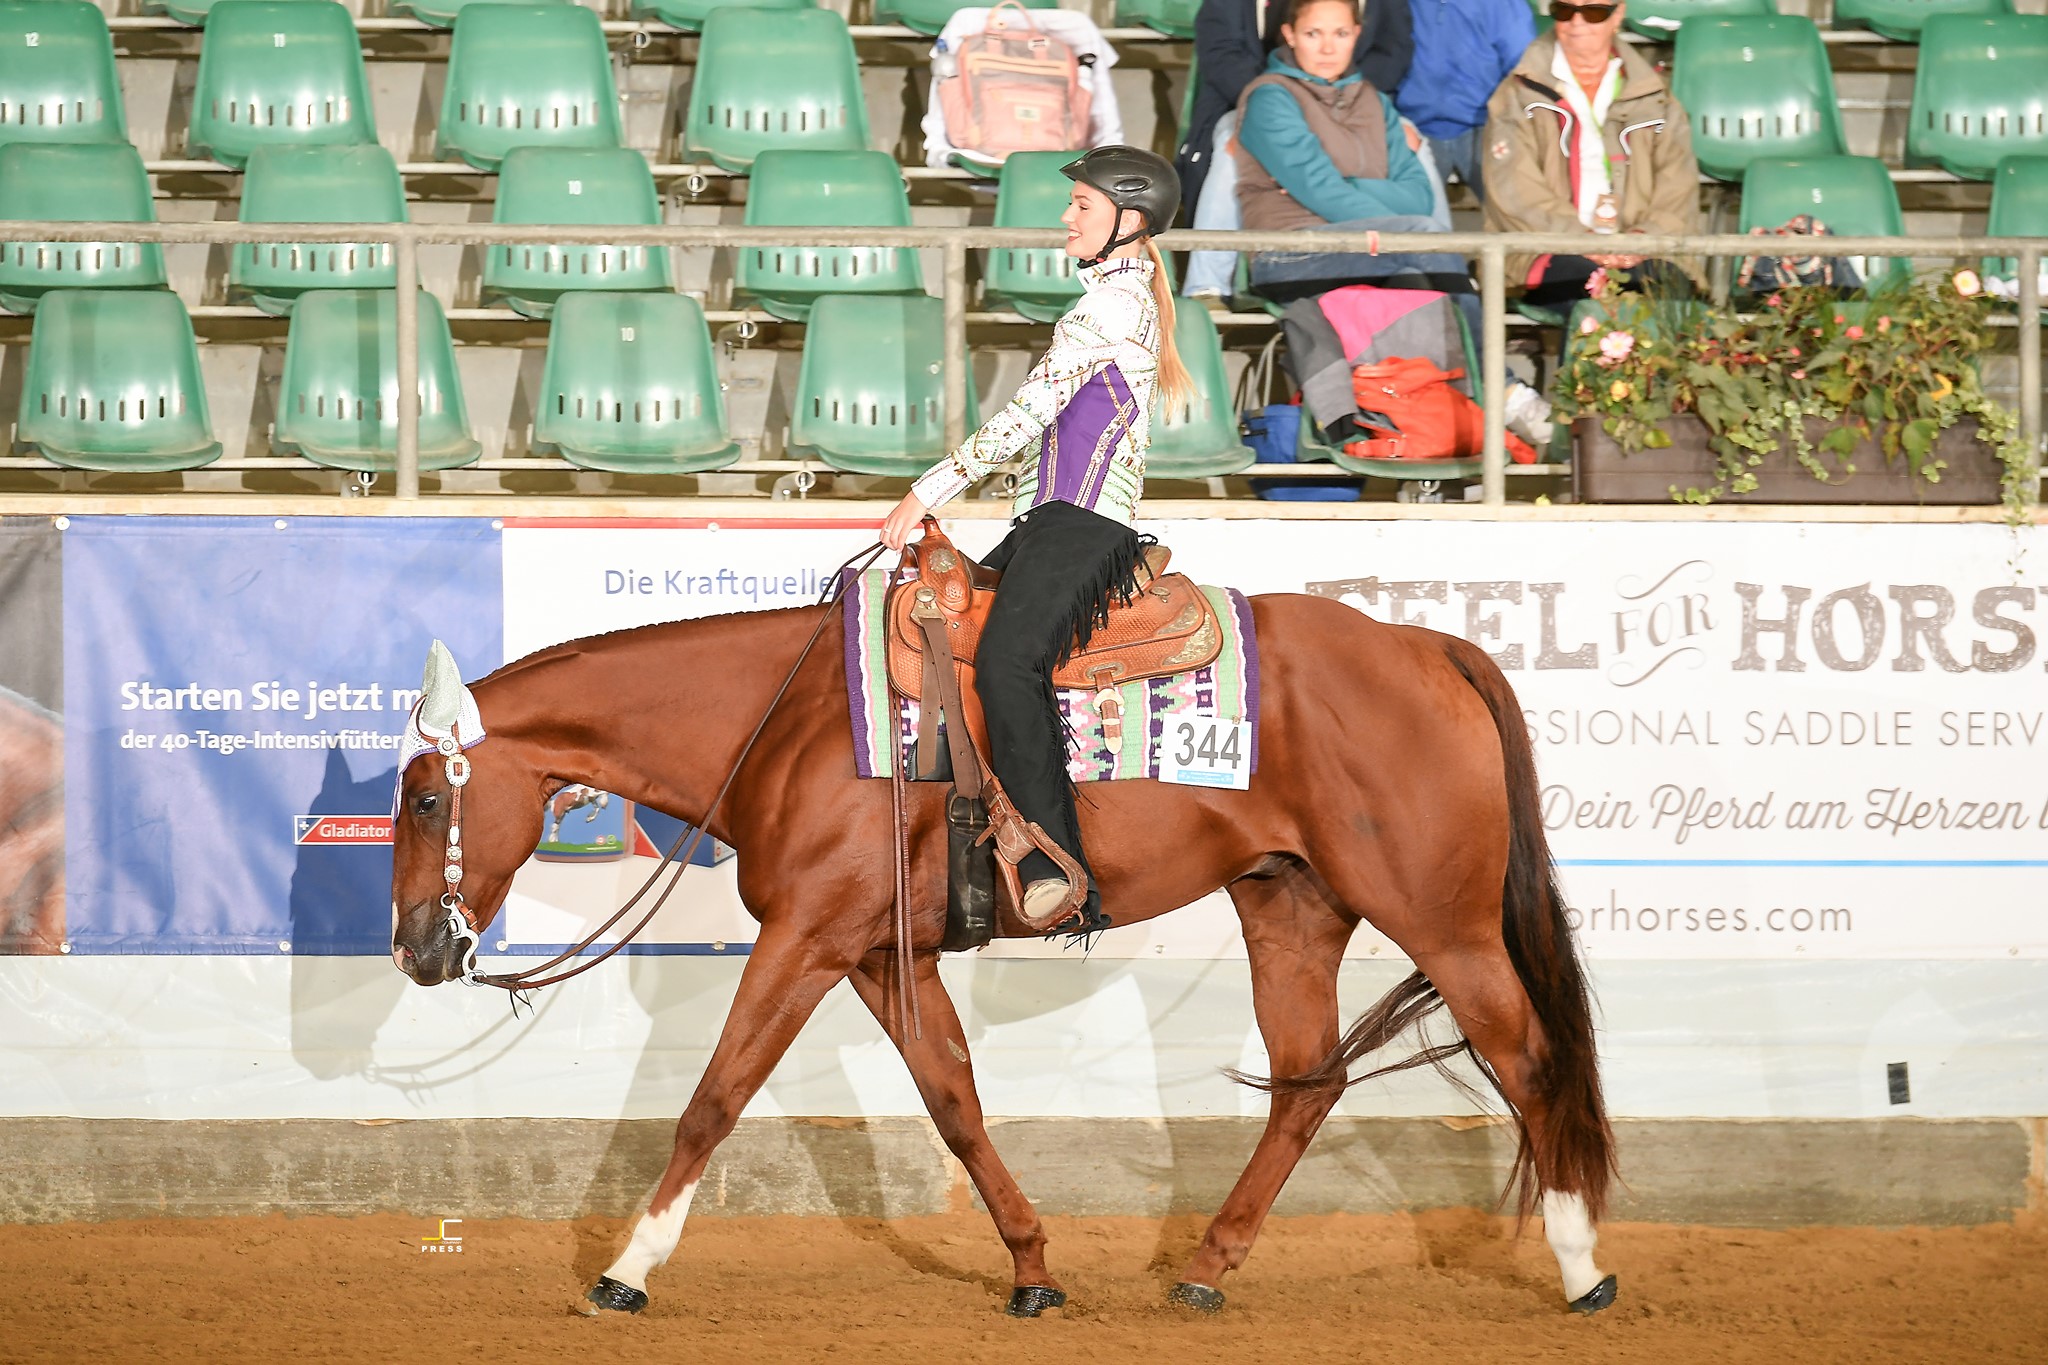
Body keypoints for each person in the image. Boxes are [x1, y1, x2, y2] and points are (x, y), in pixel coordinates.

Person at [880, 146, 1190, 929]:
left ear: (1131, 220)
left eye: (1082, 205)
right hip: (1049, 522)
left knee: (1008, 661)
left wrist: (925, 491)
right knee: (951, 647)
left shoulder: (1108, 309)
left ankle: (1059, 863)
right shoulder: (1117, 299)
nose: (1066, 217)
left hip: (1080, 526)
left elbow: (1026, 418)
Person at [1481, 0, 1703, 312]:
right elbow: (1515, 192)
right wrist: (1583, 241)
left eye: (1594, 11)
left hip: (1645, 250)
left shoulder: (1659, 99)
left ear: (1618, 15)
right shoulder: (1516, 95)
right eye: (1564, 10)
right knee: (1597, 297)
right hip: (1548, 248)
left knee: (1658, 289)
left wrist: (1641, 240)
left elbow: (1677, 186)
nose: (1577, 22)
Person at [1178, 0, 1413, 221]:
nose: (1327, 46)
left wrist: (1346, 101)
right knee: (1229, 154)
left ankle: (1432, 257)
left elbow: (1393, 49)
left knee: (1415, 146)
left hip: (1354, 102)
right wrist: (1277, 108)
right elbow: (1221, 52)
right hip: (1252, 101)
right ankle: (1207, 260)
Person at [1393, 0, 1535, 204]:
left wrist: (1507, 123)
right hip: (1412, 126)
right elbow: (1379, 56)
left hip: (1486, 126)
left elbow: (1523, 69)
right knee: (1408, 225)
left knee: (1516, 220)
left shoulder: (1504, 4)